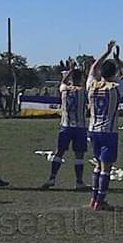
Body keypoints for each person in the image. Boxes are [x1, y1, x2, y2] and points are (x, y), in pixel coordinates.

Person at [87, 40, 123, 210]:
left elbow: (92, 69)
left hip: (93, 130)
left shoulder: (92, 85)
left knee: (97, 165)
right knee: (106, 168)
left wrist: (106, 52)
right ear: (114, 73)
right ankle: (100, 201)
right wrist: (118, 59)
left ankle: (93, 198)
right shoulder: (116, 87)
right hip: (108, 132)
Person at [41, 59, 88, 190]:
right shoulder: (83, 91)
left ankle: (52, 178)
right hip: (80, 127)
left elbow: (62, 82)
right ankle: (79, 182)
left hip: (66, 126)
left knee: (59, 152)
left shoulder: (64, 89)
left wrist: (71, 70)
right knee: (79, 155)